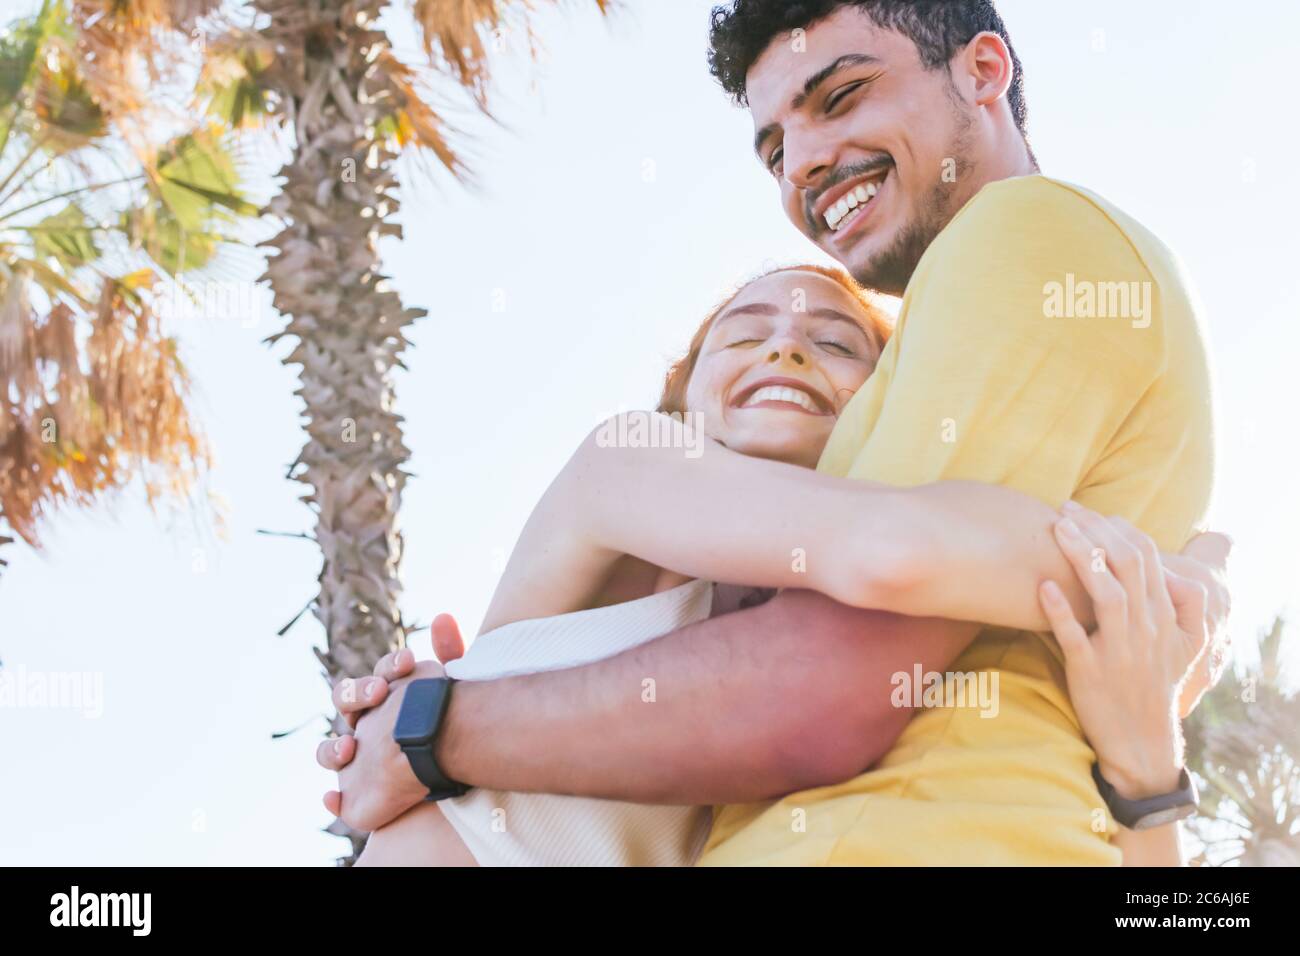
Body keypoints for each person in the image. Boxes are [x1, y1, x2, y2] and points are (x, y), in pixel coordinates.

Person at [321, 1, 1229, 865]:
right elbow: (883, 558)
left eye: (840, 97)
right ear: (685, 395)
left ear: (983, 70)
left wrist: (431, 732)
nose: (802, 164)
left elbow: (829, 676)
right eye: (774, 151)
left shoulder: (1024, 227)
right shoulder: (644, 488)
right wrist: (1147, 602)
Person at [340, 266, 1223, 867]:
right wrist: (1171, 589)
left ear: (885, 405)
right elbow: (892, 547)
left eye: (837, 344)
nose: (786, 349)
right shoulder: (627, 461)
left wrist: (1149, 780)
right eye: (744, 334)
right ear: (684, 394)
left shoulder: (836, 630)